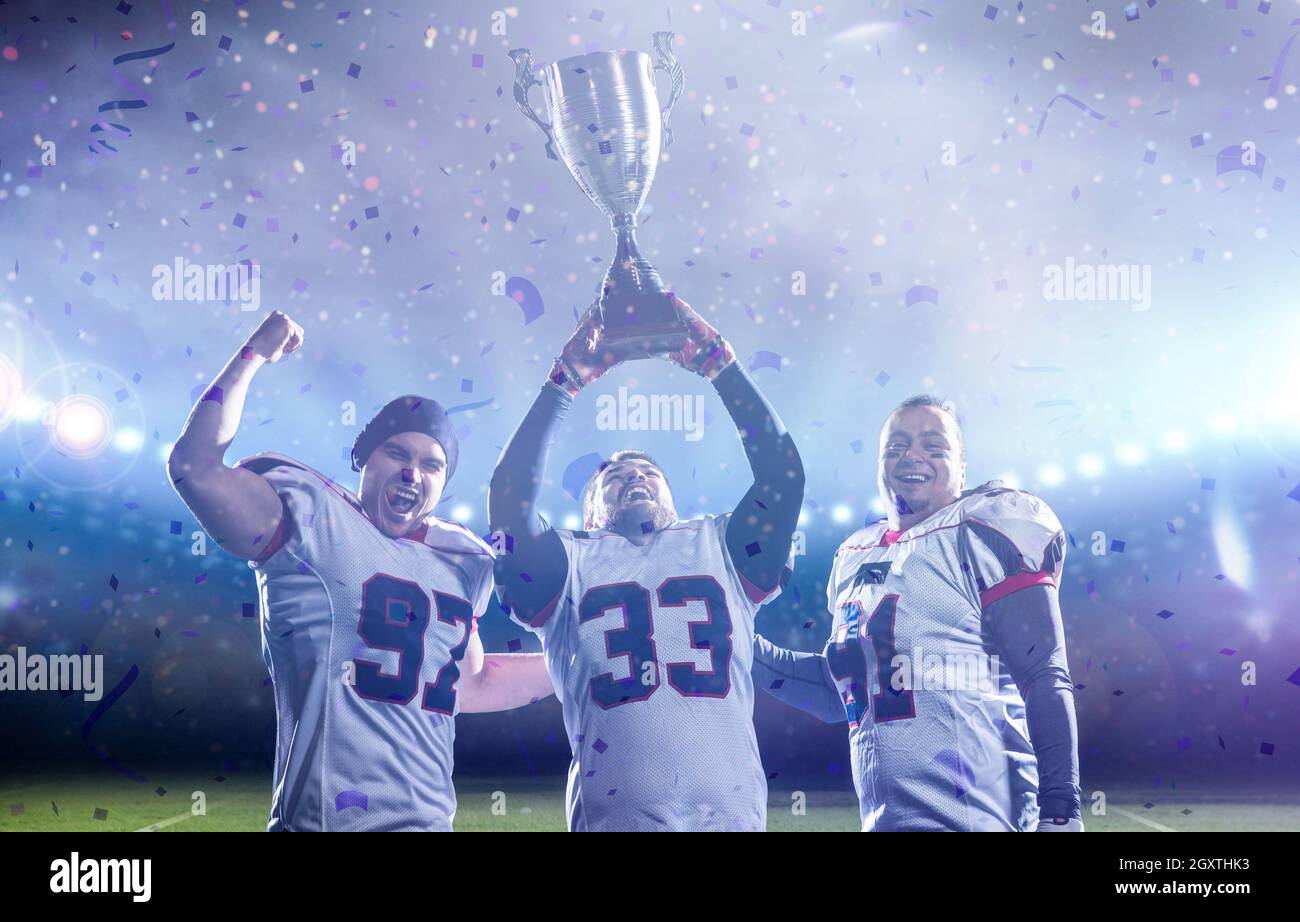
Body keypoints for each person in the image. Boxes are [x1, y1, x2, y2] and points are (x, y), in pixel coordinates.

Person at [167, 310, 552, 831]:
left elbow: (473, 684)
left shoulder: (464, 562)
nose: (412, 471)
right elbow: (195, 467)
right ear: (365, 459)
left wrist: (579, 660)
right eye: (397, 452)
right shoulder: (306, 514)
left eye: (433, 464)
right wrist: (253, 354)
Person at [489, 297, 804, 831]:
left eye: (648, 473)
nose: (634, 477)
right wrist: (562, 383)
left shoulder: (720, 546)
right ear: (588, 514)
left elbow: (783, 476)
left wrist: (719, 364)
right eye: (613, 478)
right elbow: (508, 499)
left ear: (674, 499)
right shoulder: (569, 563)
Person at [753, 396, 1082, 831]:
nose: (912, 456)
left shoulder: (983, 528)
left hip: (986, 819)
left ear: (962, 467)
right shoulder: (854, 555)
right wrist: (743, 644)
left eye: (933, 445)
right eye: (896, 446)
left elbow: (1044, 674)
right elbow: (845, 695)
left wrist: (1060, 810)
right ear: (878, 466)